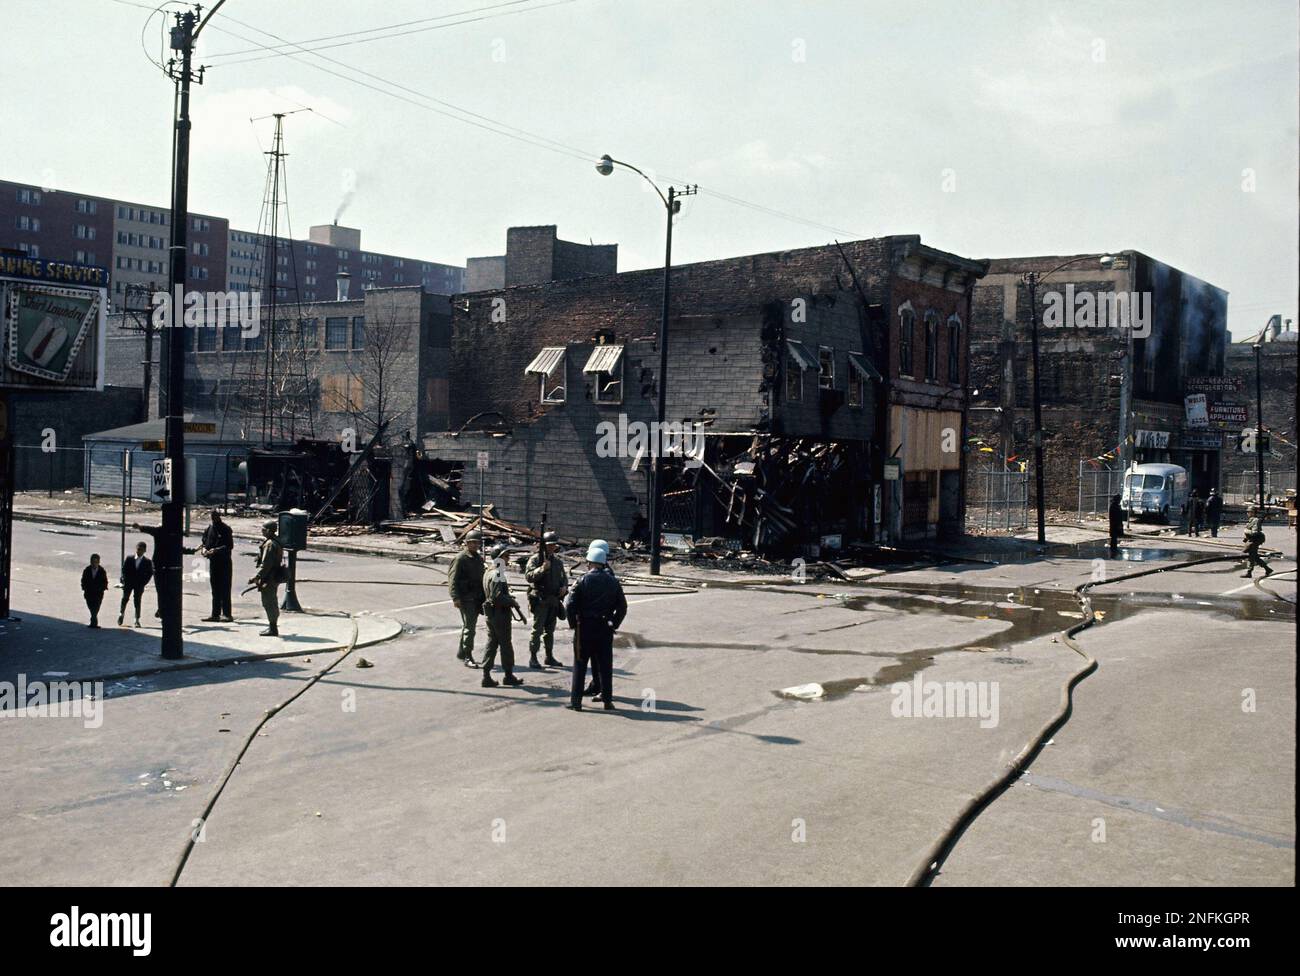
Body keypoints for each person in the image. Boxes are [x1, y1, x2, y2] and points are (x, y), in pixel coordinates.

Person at [565, 543, 627, 712]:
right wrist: (613, 623)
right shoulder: (613, 581)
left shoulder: (582, 580)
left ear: (589, 562)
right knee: (605, 665)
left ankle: (576, 702)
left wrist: (573, 623)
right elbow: (622, 607)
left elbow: (570, 604)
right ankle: (607, 700)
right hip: (604, 627)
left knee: (580, 664)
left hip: (584, 627)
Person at [480, 544, 525, 689]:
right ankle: (509, 675)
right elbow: (497, 597)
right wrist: (511, 601)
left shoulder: (489, 571)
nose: (508, 559)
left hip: (492, 614)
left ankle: (486, 675)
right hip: (499, 614)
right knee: (505, 645)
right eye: (505, 556)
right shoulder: (498, 573)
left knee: (492, 643)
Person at [525, 530, 567, 668]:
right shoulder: (536, 559)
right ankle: (533, 657)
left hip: (553, 600)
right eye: (549, 545)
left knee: (550, 631)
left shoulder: (558, 562)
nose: (552, 547)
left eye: (554, 545)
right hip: (540, 600)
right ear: (543, 545)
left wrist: (564, 588)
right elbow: (529, 577)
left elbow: (564, 579)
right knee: (537, 630)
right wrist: (542, 569)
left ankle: (549, 656)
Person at [447, 529, 486, 668]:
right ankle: (468, 656)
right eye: (473, 543)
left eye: (477, 543)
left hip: (477, 598)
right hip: (466, 598)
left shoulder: (478, 558)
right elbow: (452, 579)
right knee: (470, 627)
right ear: (467, 543)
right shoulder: (460, 559)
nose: (476, 545)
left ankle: (461, 652)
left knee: (467, 626)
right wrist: (455, 597)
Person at [250, 519, 283, 636]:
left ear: (268, 531)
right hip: (273, 576)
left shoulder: (270, 544)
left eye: (263, 529)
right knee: (271, 601)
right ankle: (272, 627)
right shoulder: (274, 541)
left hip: (269, 577)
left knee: (269, 602)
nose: (262, 531)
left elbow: (266, 565)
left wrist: (257, 576)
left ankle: (273, 628)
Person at [200, 509, 234, 622]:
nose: (214, 518)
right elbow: (204, 542)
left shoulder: (226, 529)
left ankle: (227, 614)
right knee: (215, 589)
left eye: (216, 516)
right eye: (212, 516)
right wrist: (204, 549)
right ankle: (215, 614)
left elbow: (229, 546)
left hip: (224, 563)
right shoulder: (209, 529)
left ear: (219, 516)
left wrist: (216, 550)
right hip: (213, 562)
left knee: (225, 589)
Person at [118, 541, 153, 627]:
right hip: (128, 583)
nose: (139, 551)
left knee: (137, 601)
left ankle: (137, 619)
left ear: (145, 551)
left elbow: (150, 573)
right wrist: (124, 579)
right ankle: (121, 614)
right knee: (125, 598)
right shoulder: (129, 558)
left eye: (141, 550)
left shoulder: (147, 562)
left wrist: (143, 583)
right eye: (138, 549)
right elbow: (124, 569)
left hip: (139, 584)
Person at [1240, 505, 1273, 578]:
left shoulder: (1256, 520)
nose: (1247, 513)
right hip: (1252, 540)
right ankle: (1267, 569)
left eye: (1249, 512)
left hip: (1255, 541)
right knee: (1254, 557)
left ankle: (1249, 572)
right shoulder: (1252, 520)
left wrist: (1246, 531)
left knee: (1252, 556)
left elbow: (1255, 532)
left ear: (1253, 512)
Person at [81, 553, 109, 628]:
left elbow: (105, 581)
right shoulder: (87, 570)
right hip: (89, 593)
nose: (94, 564)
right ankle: (94, 620)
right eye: (93, 562)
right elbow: (83, 580)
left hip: (98, 594)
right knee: (91, 606)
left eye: (96, 562)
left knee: (96, 607)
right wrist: (84, 588)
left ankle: (93, 622)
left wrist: (102, 588)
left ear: (99, 562)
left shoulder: (102, 571)